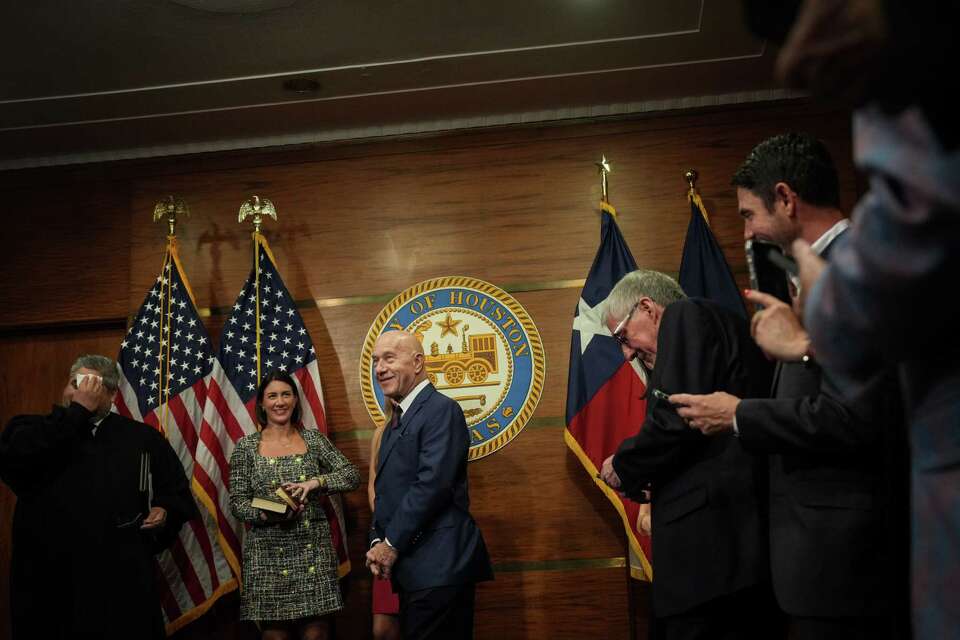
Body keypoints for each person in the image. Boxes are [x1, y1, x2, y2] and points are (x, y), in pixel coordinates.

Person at [741, 2, 960, 636]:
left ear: (785, 198)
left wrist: (810, 335)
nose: (790, 63)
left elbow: (861, 391)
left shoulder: (917, 104)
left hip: (865, 550)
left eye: (793, 19)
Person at [669, 133, 905, 639]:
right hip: (821, 559)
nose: (748, 232)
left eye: (749, 214)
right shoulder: (819, 271)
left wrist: (739, 413)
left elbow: (857, 415)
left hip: (848, 559)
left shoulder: (853, 269)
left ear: (786, 198)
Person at [597, 270, 778, 640]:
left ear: (647, 307)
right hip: (737, 553)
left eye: (622, 336)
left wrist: (622, 464)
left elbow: (677, 420)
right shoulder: (722, 329)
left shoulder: (684, 315)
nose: (626, 352)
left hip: (710, 559)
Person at [0, 354, 198, 640]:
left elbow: (175, 492)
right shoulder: (33, 430)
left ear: (113, 393)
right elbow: (14, 461)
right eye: (75, 384)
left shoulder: (142, 438)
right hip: (51, 581)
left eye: (90, 385)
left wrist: (164, 510)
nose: (80, 392)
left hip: (119, 578)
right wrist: (77, 412)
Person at [366, 330, 493, 640]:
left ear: (418, 362)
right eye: (376, 360)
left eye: (389, 358)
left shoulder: (440, 410)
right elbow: (386, 492)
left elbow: (432, 485)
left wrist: (390, 543)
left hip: (440, 566)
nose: (379, 368)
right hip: (415, 571)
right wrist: (376, 542)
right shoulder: (396, 420)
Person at [228, 370, 360, 640]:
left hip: (313, 550)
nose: (280, 401)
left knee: (316, 634)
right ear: (262, 404)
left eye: (286, 394)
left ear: (296, 400)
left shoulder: (313, 440)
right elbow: (238, 503)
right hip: (266, 557)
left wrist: (316, 482)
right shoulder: (246, 446)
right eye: (272, 395)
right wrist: (269, 512)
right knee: (275, 637)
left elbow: (351, 475)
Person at [368, 415, 400, 640]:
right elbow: (373, 484)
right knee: (383, 630)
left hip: (422, 541)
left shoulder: (432, 421)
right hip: (386, 539)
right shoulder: (381, 433)